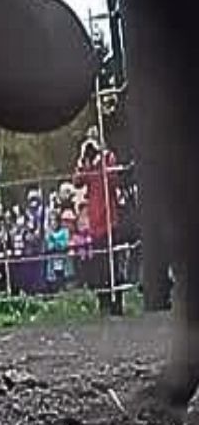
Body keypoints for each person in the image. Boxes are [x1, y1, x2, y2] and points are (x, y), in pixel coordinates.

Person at [75, 131, 123, 316]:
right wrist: (82, 160)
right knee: (99, 266)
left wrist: (102, 159)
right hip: (94, 223)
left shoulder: (108, 158)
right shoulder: (88, 163)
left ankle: (117, 303)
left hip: (110, 220)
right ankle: (103, 302)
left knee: (113, 263)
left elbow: (114, 181)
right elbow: (77, 181)